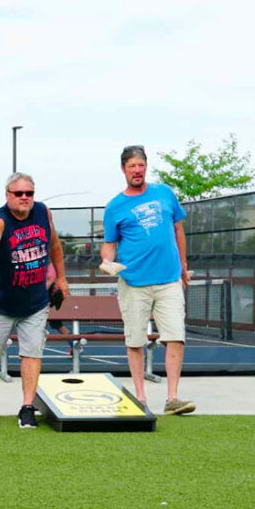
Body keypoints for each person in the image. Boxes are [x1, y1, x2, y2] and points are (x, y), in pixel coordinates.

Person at [0, 172, 68, 428]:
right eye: (19, 193)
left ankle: (27, 406)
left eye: (29, 193)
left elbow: (55, 245)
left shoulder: (43, 212)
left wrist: (62, 279)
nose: (25, 198)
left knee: (32, 353)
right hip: (0, 304)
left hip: (34, 303)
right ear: (8, 195)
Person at [101, 145, 195, 415]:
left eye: (141, 165)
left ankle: (173, 398)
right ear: (123, 169)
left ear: (146, 167)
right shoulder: (115, 207)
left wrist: (183, 265)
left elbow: (178, 229)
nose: (137, 170)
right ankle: (140, 397)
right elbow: (109, 245)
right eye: (132, 166)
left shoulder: (164, 193)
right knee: (135, 340)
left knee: (175, 336)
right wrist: (107, 261)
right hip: (133, 282)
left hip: (168, 280)